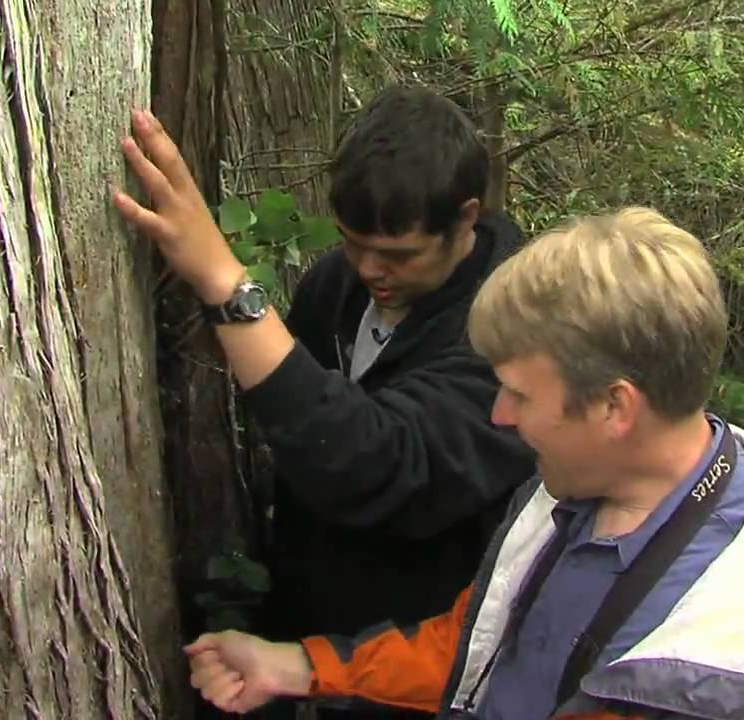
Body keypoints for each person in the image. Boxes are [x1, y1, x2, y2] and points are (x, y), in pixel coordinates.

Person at [178, 208, 744, 719]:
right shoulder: (567, 497)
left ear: (614, 408)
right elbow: (479, 651)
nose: (500, 416)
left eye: (518, 394)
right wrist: (303, 667)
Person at [113, 88, 537, 717]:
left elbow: (378, 461)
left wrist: (224, 284)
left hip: (414, 672)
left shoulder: (515, 330)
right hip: (300, 644)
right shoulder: (333, 286)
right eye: (351, 242)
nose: (370, 268)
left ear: (466, 218)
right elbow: (299, 443)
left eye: (398, 254)